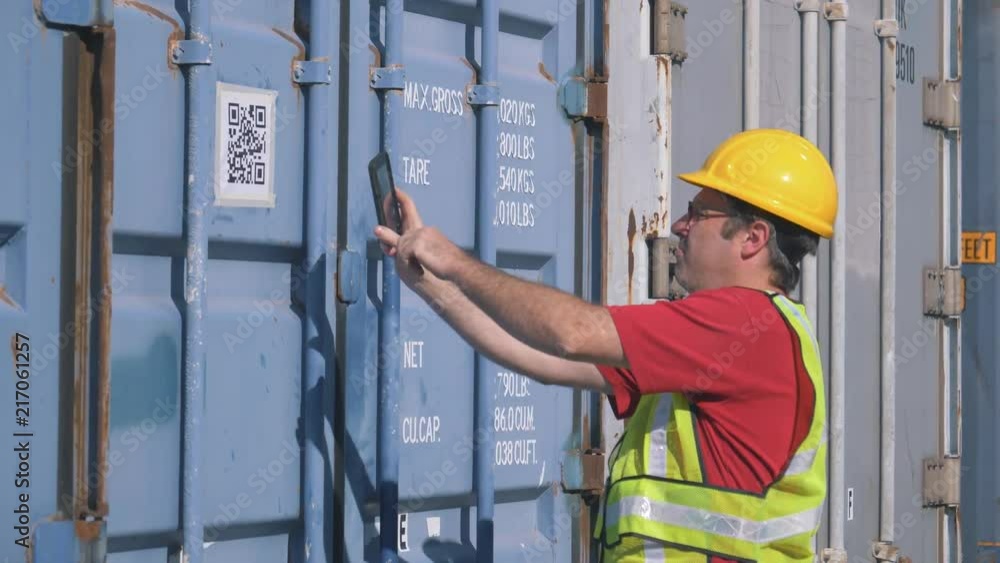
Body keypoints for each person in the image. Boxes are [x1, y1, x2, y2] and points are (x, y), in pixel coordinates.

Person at [374, 128, 837, 562]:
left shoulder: (742, 324)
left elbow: (570, 334)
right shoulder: (737, 335)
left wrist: (453, 260)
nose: (679, 224)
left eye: (699, 212)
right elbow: (544, 360)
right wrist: (429, 282)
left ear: (753, 238)